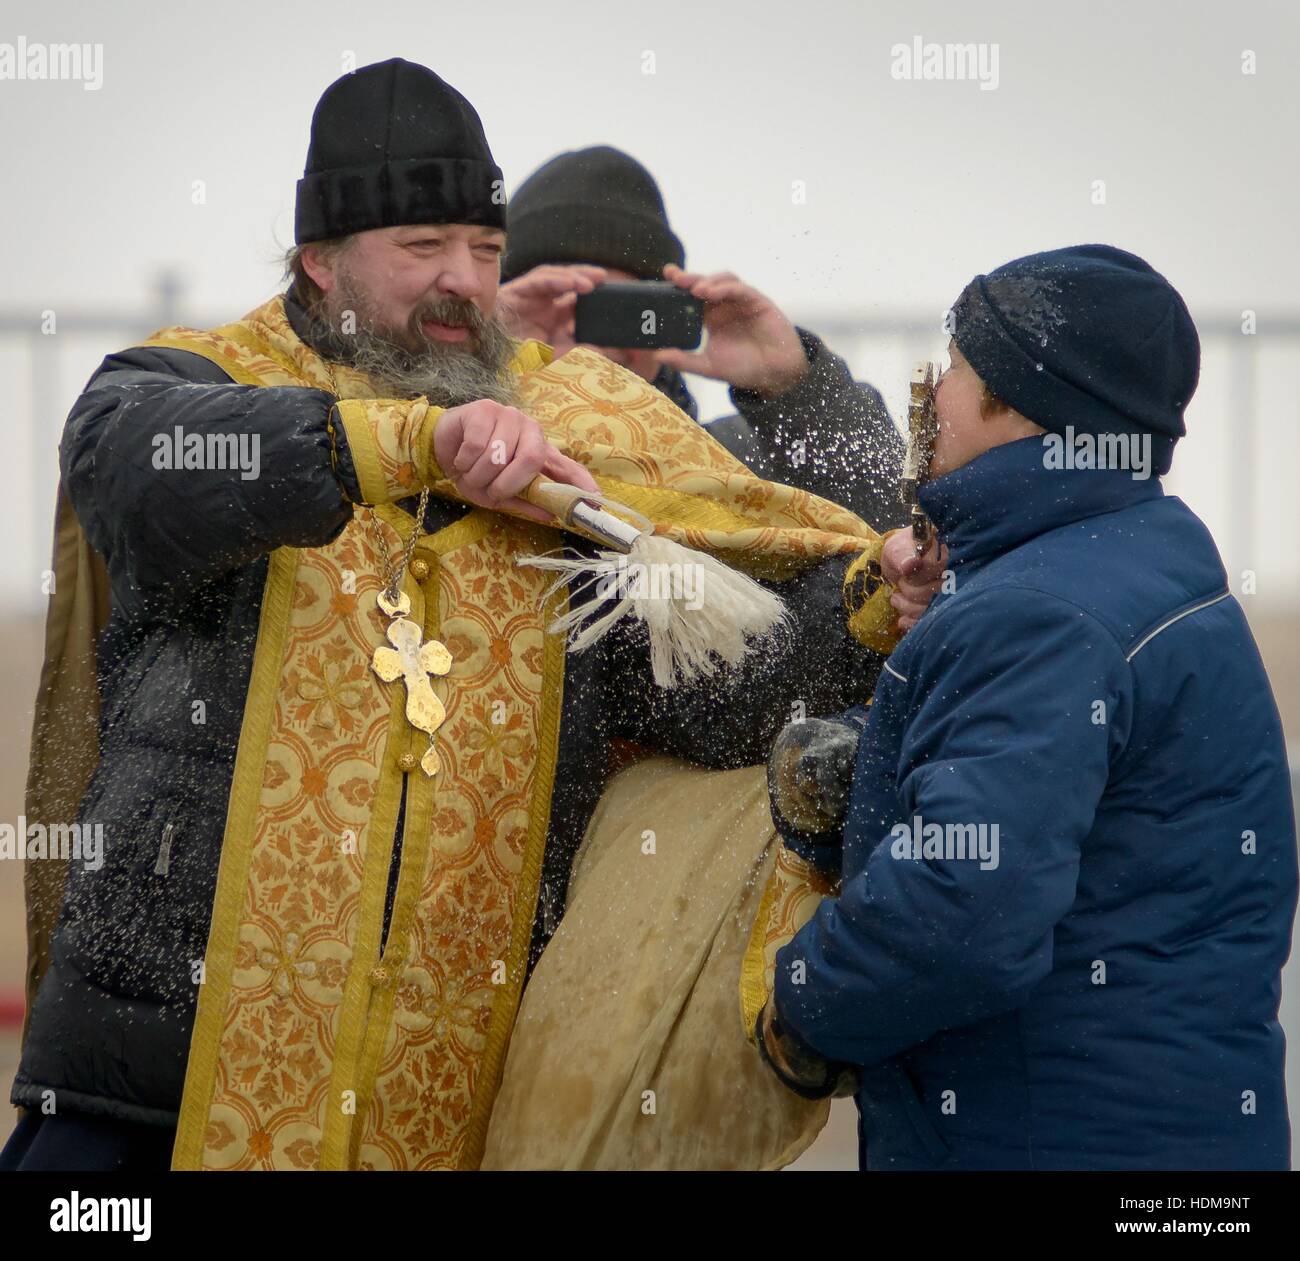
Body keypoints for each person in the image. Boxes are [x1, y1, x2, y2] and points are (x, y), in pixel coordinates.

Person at [7, 58, 938, 1171]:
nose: (461, 281)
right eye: (420, 250)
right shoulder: (191, 383)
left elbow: (718, 685)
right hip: (144, 1107)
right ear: (319, 259)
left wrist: (875, 608)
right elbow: (129, 464)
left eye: (485, 254)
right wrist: (406, 443)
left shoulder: (579, 435)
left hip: (432, 1114)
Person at [756, 245, 1299, 1170]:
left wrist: (802, 1006)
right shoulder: (1148, 555)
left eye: (962, 368)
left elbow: (962, 908)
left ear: (1020, 406)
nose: (935, 393)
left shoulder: (1035, 617)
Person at [496, 146, 906, 530]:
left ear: (670, 316)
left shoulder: (740, 466)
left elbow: (890, 531)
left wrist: (794, 389)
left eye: (624, 312)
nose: (596, 344)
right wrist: (481, 356)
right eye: (563, 306)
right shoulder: (450, 446)